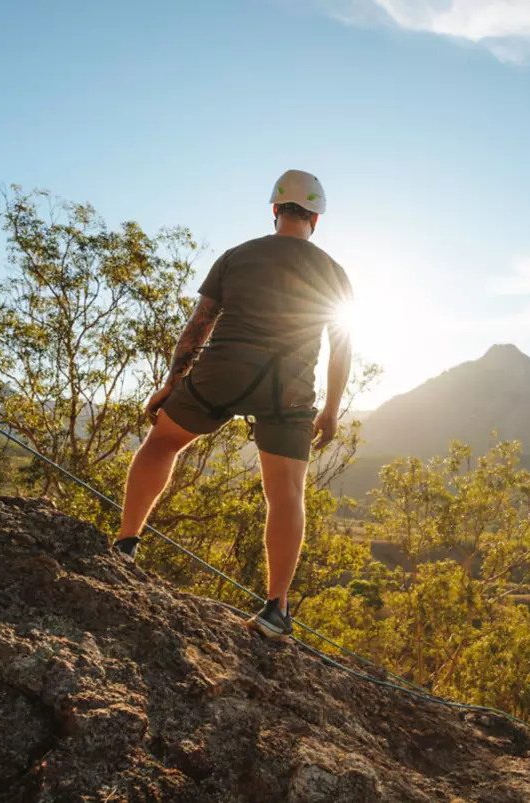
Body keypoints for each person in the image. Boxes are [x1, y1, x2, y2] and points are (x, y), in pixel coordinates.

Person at [111, 169, 353, 640]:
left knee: (161, 444)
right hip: (289, 386)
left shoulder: (238, 256)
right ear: (316, 219)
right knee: (286, 492)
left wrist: (172, 382)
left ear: (275, 210)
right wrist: (330, 410)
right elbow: (342, 348)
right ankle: (275, 610)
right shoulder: (333, 272)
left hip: (225, 368)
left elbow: (200, 324)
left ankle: (124, 545)